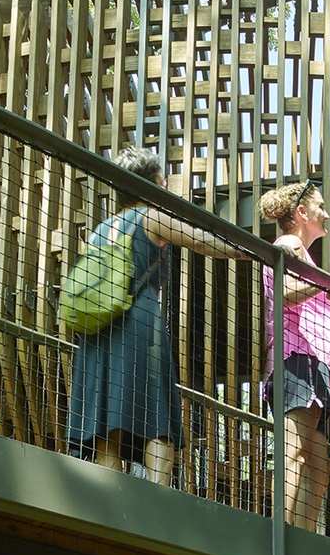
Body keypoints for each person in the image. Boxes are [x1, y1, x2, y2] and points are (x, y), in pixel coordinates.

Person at [65, 148, 236, 484]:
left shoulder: (102, 228)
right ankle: (159, 497)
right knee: (157, 411)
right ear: (157, 183)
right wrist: (254, 250)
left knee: (108, 422)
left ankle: (111, 502)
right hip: (138, 318)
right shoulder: (151, 215)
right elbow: (201, 241)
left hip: (98, 325)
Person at [259, 181, 330, 531]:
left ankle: (301, 537)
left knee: (320, 466)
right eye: (321, 206)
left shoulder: (306, 256)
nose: (326, 214)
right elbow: (286, 293)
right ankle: (279, 534)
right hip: (294, 359)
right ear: (302, 213)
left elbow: (327, 319)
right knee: (294, 452)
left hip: (318, 367)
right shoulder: (289, 243)